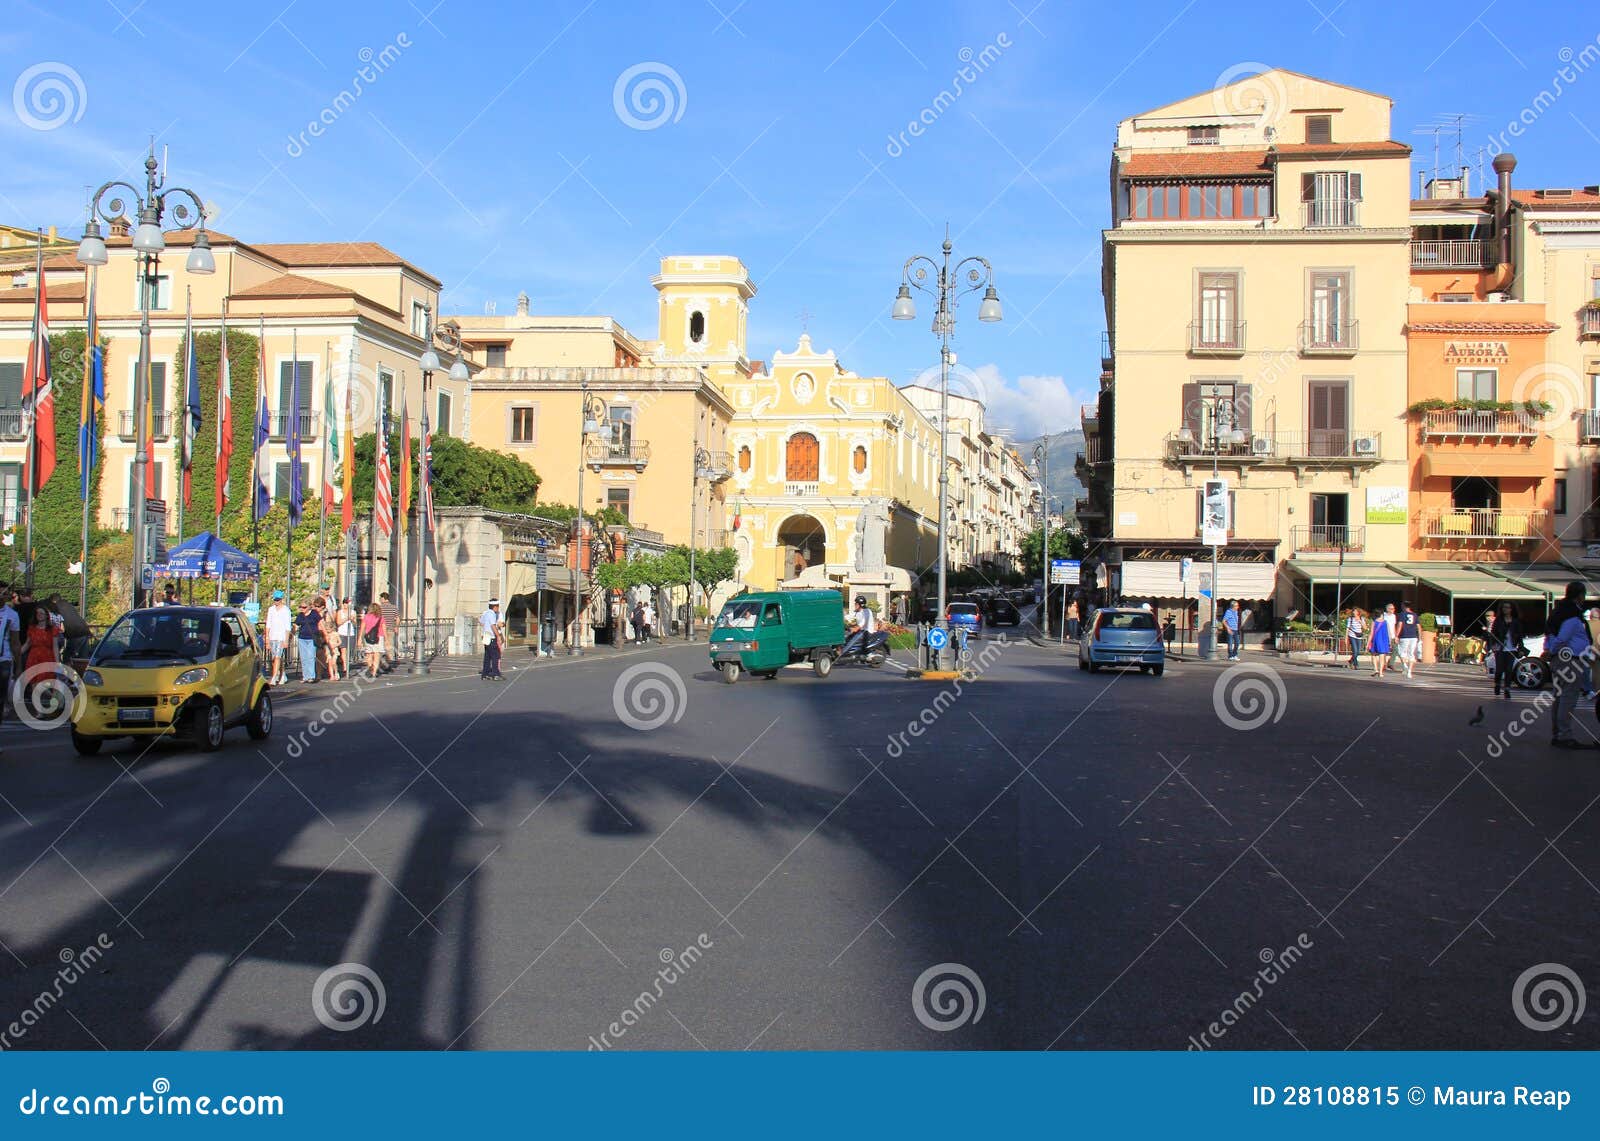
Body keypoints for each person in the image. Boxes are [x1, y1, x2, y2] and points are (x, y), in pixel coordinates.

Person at [1546, 581, 1591, 749]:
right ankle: (1565, 735)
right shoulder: (1572, 616)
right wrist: (1554, 651)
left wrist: (1552, 652)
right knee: (1568, 698)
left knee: (1559, 697)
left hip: (1562, 659)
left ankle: (1558, 733)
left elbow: (1553, 636)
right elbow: (1562, 638)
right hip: (1570, 660)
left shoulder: (1559, 612)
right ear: (1579, 595)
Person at [1488, 602, 1522, 700]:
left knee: (1508, 670)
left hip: (1511, 648)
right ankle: (1497, 684)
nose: (1505, 609)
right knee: (1499, 670)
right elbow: (1493, 634)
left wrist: (1520, 648)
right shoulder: (1498, 620)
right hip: (1500, 648)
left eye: (1507, 607)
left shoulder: (1516, 621)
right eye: (1504, 607)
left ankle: (1507, 689)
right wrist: (1494, 645)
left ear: (1512, 609)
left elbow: (1520, 635)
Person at [0, 590, 17, 749]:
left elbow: (15, 642)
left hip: (3, 661)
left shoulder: (12, 615)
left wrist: (18, 666)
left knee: (0, 699)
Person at [264, 590, 292, 686]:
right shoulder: (271, 609)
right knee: (274, 658)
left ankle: (274, 677)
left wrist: (286, 640)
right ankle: (282, 674)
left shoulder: (286, 610)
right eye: (275, 599)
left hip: (281, 637)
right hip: (272, 636)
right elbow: (268, 624)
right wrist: (267, 638)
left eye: (278, 599)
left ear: (281, 599)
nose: (276, 601)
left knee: (277, 657)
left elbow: (288, 627)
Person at [294, 598, 321, 684]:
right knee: (304, 657)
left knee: (310, 656)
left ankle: (311, 676)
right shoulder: (300, 615)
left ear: (309, 607)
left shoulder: (314, 614)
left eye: (304, 607)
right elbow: (296, 625)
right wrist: (291, 633)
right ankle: (305, 676)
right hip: (302, 638)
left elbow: (321, 623)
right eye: (301, 607)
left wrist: (324, 634)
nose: (302, 609)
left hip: (311, 638)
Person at [480, 598, 505, 680]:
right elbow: (493, 626)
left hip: (486, 637)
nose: (498, 608)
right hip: (491, 637)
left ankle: (485, 674)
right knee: (495, 656)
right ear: (495, 607)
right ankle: (495, 674)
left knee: (487, 656)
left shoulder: (485, 613)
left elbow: (481, 622)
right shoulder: (492, 614)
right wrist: (498, 636)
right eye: (497, 606)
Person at [1395, 603, 1421, 679]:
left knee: (1401, 652)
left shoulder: (1402, 615)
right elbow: (1419, 627)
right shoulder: (1415, 615)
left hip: (1404, 636)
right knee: (1411, 654)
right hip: (1413, 636)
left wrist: (1396, 635)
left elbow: (1400, 625)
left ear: (1404, 606)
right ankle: (1409, 671)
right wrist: (1420, 637)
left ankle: (1405, 665)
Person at [1369, 602, 1395, 678]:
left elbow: (1371, 633)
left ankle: (1375, 669)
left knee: (1373, 655)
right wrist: (1390, 641)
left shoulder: (1374, 622)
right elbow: (1389, 632)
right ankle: (1380, 672)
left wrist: (1368, 642)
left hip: (1375, 641)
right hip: (1384, 641)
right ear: (1381, 614)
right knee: (1382, 656)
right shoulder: (1385, 622)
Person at [360, 603, 385, 678]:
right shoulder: (381, 617)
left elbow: (362, 628)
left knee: (369, 654)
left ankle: (370, 666)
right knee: (377, 655)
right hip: (379, 637)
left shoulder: (366, 617)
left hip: (368, 637)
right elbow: (384, 629)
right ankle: (374, 672)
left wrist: (359, 638)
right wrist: (386, 638)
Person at [336, 598, 357, 681]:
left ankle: (347, 663)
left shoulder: (353, 612)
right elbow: (338, 622)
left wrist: (352, 619)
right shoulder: (340, 612)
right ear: (343, 604)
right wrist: (346, 618)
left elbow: (355, 623)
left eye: (348, 603)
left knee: (349, 650)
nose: (347, 605)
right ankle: (345, 665)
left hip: (350, 632)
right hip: (342, 632)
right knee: (343, 650)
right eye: (346, 603)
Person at [379, 591, 399, 672]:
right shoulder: (394, 607)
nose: (380, 600)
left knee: (381, 647)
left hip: (381, 630)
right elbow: (397, 618)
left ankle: (382, 664)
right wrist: (396, 627)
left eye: (380, 598)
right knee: (389, 647)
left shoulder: (380, 608)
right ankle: (388, 664)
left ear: (383, 598)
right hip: (390, 629)